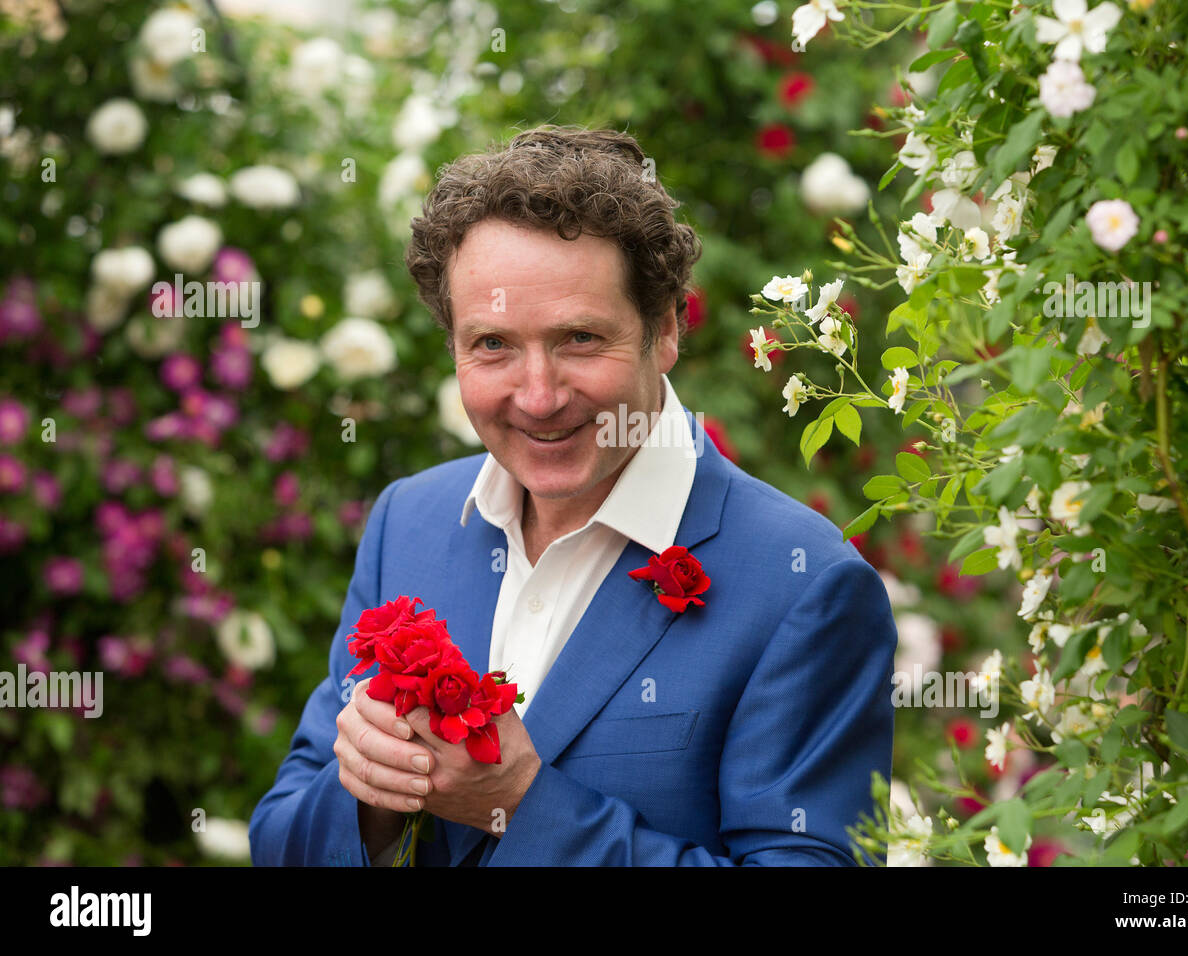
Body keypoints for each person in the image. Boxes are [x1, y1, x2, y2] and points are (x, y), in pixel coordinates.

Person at [249, 125, 897, 866]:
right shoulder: (409, 522)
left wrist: (523, 806)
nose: (539, 395)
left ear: (665, 330)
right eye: (492, 344)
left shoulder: (804, 585)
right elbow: (280, 840)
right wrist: (371, 801)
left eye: (579, 339)